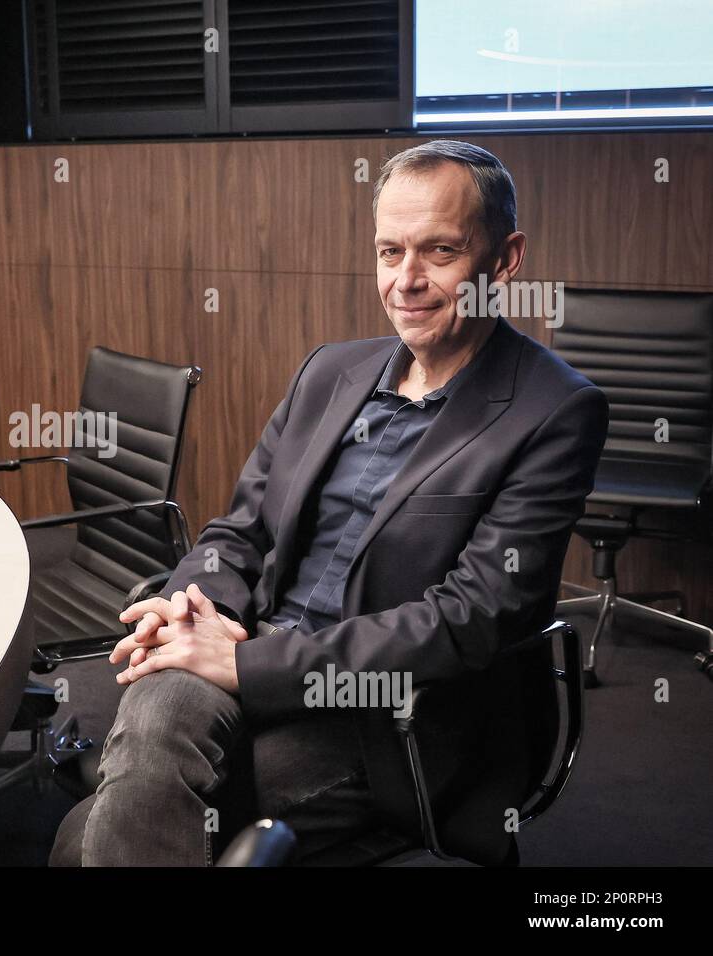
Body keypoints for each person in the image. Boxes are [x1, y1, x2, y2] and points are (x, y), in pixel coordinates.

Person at [51, 140, 609, 866]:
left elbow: (468, 620)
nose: (406, 280)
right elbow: (238, 532)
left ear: (504, 260)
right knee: (153, 727)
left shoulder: (555, 409)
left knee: (82, 837)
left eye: (438, 252)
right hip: (247, 648)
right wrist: (187, 603)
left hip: (390, 716)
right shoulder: (330, 371)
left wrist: (247, 667)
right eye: (388, 252)